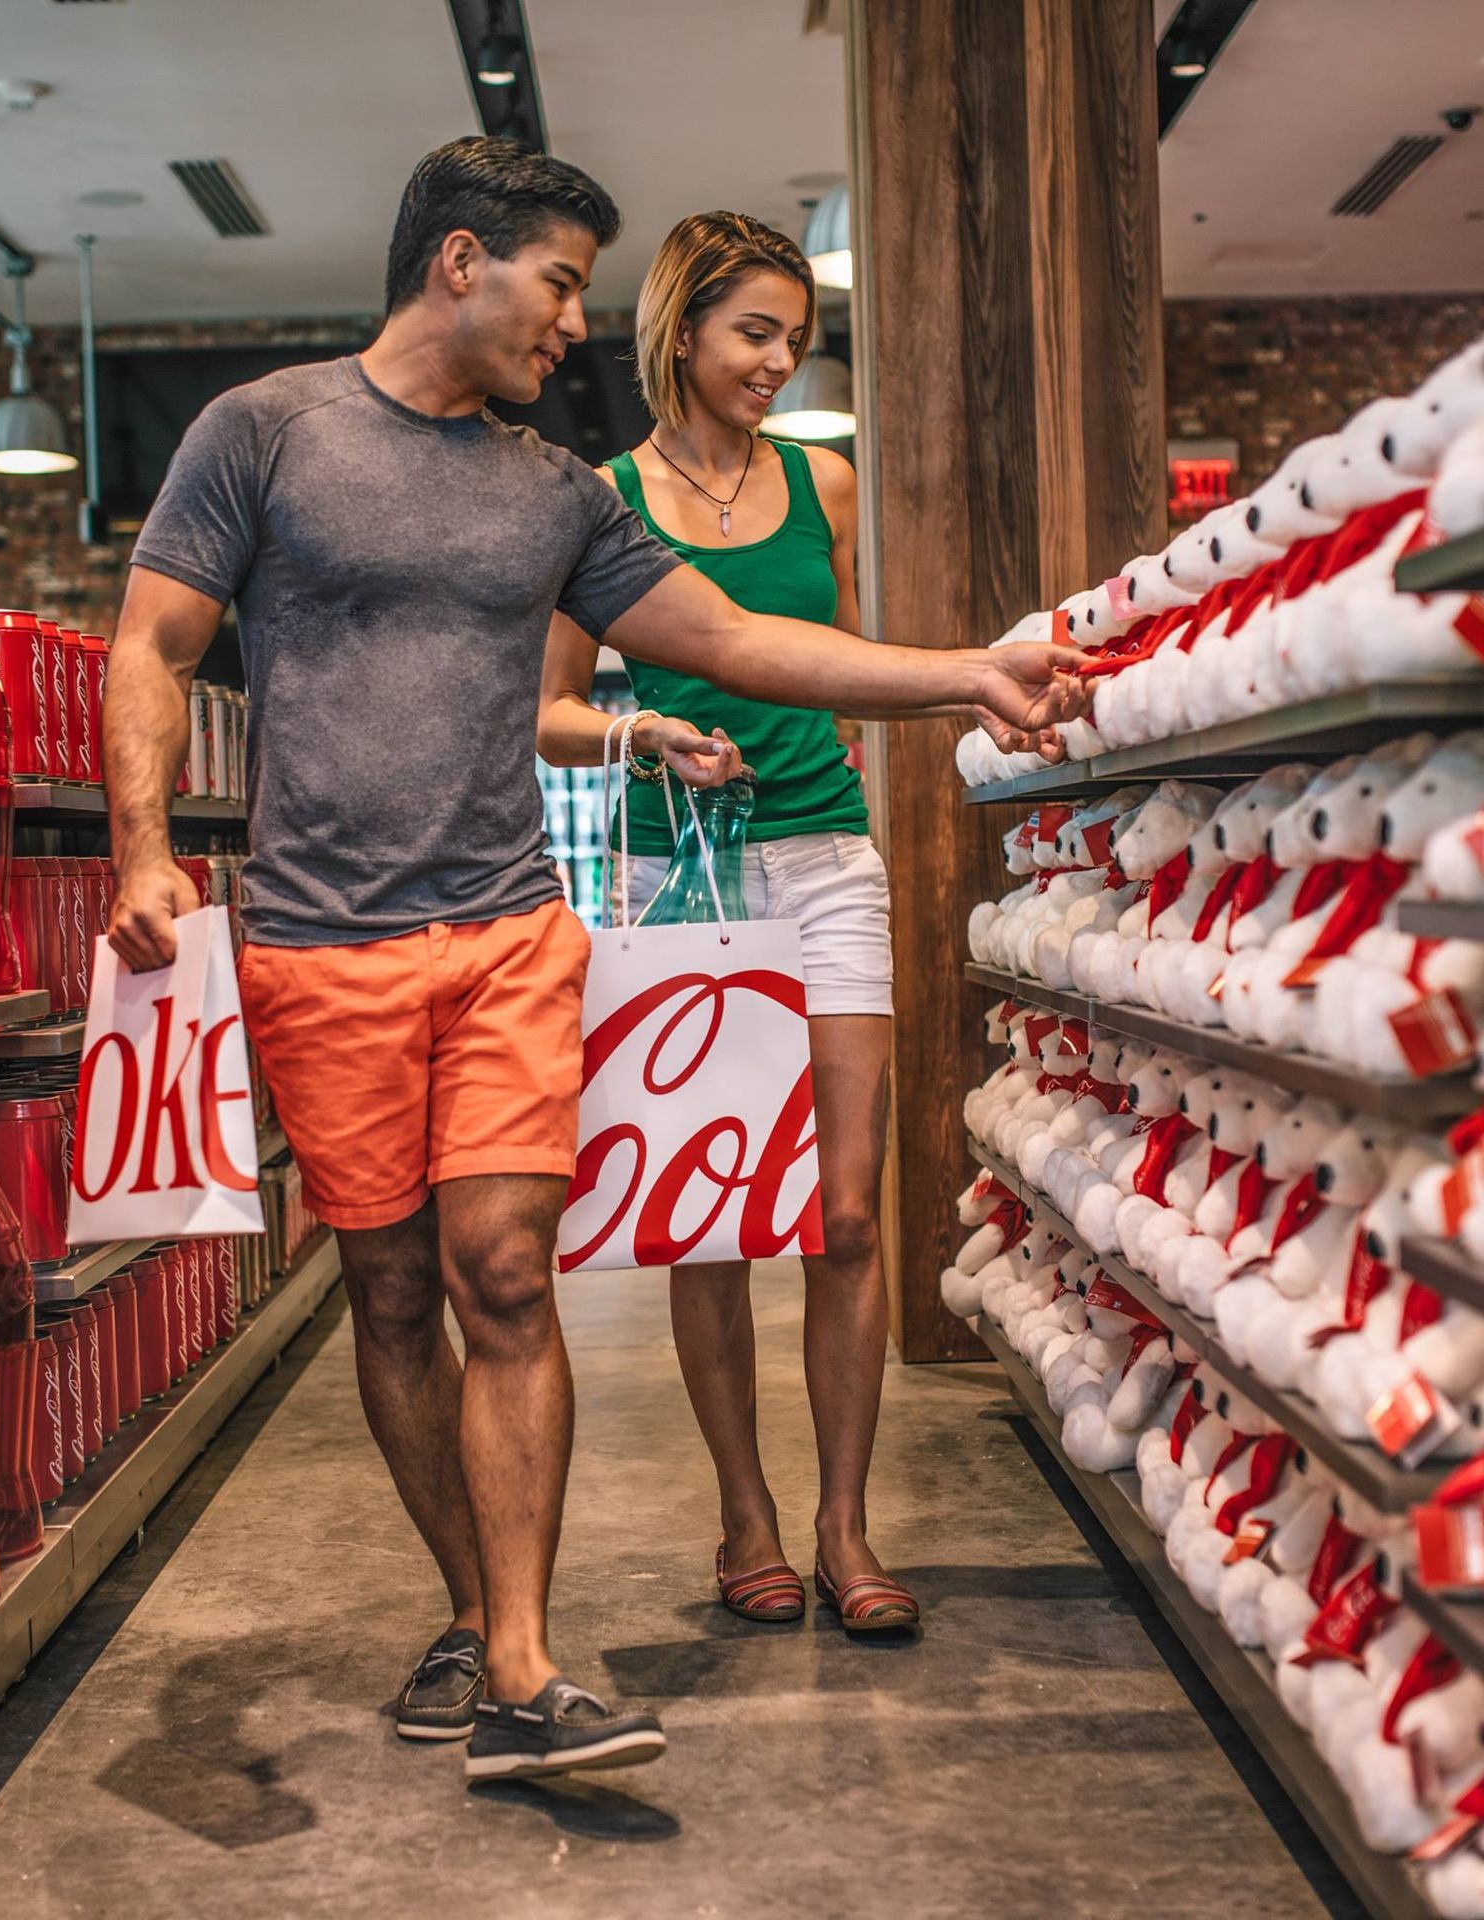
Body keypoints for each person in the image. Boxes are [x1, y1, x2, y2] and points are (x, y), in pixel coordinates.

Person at [102, 137, 1085, 1783]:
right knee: (393, 1289)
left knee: (502, 1272)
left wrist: (962, 675)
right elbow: (154, 640)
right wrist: (141, 847)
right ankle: (471, 1607)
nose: (577, 324)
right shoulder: (263, 433)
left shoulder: (552, 493)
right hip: (315, 943)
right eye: (561, 285)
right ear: (459, 261)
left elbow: (736, 638)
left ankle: (523, 1660)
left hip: (505, 932)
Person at [539, 210, 1021, 1633]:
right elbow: (550, 714)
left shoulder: (827, 480)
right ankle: (742, 1513)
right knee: (711, 1217)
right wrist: (642, 736)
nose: (777, 364)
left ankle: (844, 1523)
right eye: (755, 333)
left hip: (822, 862)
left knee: (853, 1215)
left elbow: (841, 658)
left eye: (794, 342)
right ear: (679, 327)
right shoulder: (600, 495)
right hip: (671, 879)